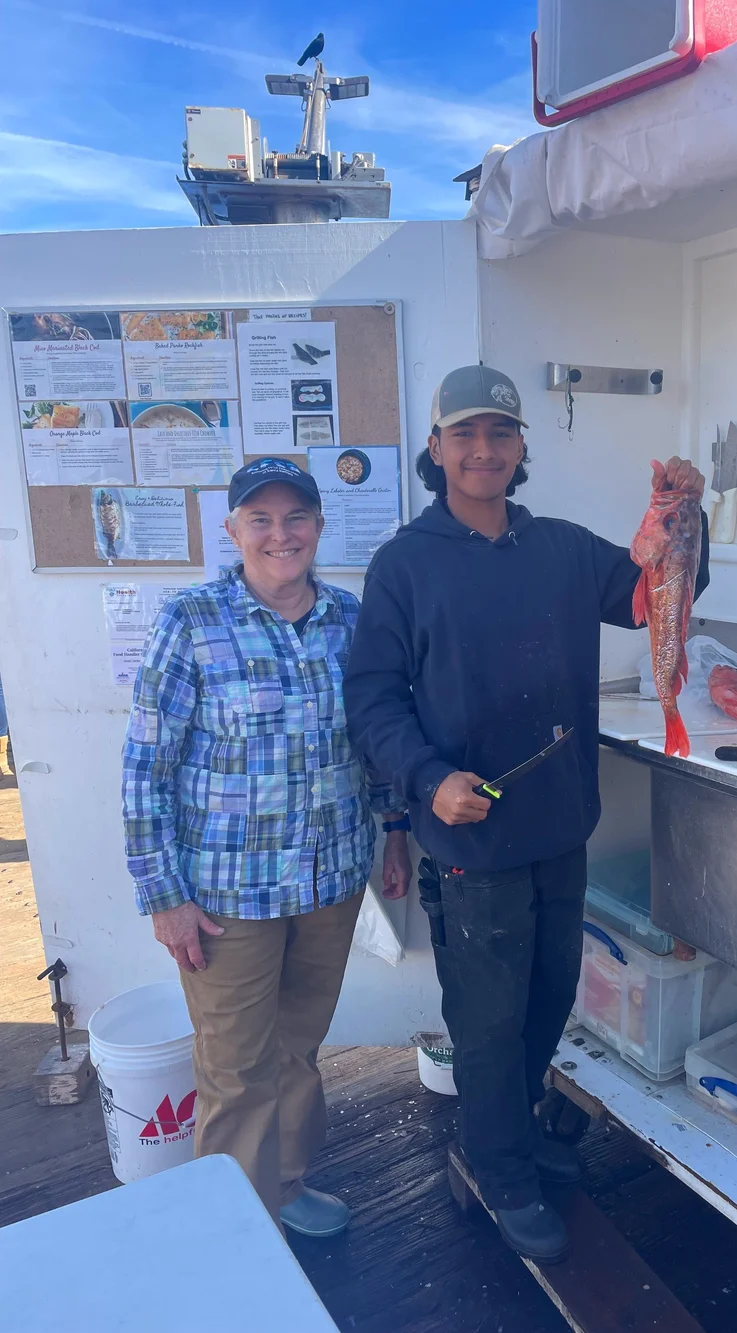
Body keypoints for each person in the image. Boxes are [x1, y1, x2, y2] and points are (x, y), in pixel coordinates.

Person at [343, 366, 709, 1263]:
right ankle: (498, 1168)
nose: (483, 450)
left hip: (559, 825)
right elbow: (371, 697)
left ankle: (513, 1136)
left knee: (548, 998)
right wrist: (428, 779)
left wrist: (688, 519)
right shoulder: (404, 564)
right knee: (487, 1018)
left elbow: (654, 594)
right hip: (473, 838)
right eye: (465, 434)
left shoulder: (561, 547)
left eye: (500, 434)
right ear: (437, 449)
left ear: (519, 450)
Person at [122, 457, 411, 1235]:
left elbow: (374, 738)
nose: (279, 534)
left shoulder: (351, 620)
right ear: (233, 530)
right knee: (235, 1070)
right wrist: (164, 897)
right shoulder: (191, 619)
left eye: (296, 518)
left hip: (329, 882)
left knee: (296, 1051)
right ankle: (233, 1233)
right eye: (261, 518)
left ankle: (281, 1187)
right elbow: (145, 764)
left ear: (318, 526)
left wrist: (393, 828)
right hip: (224, 899)